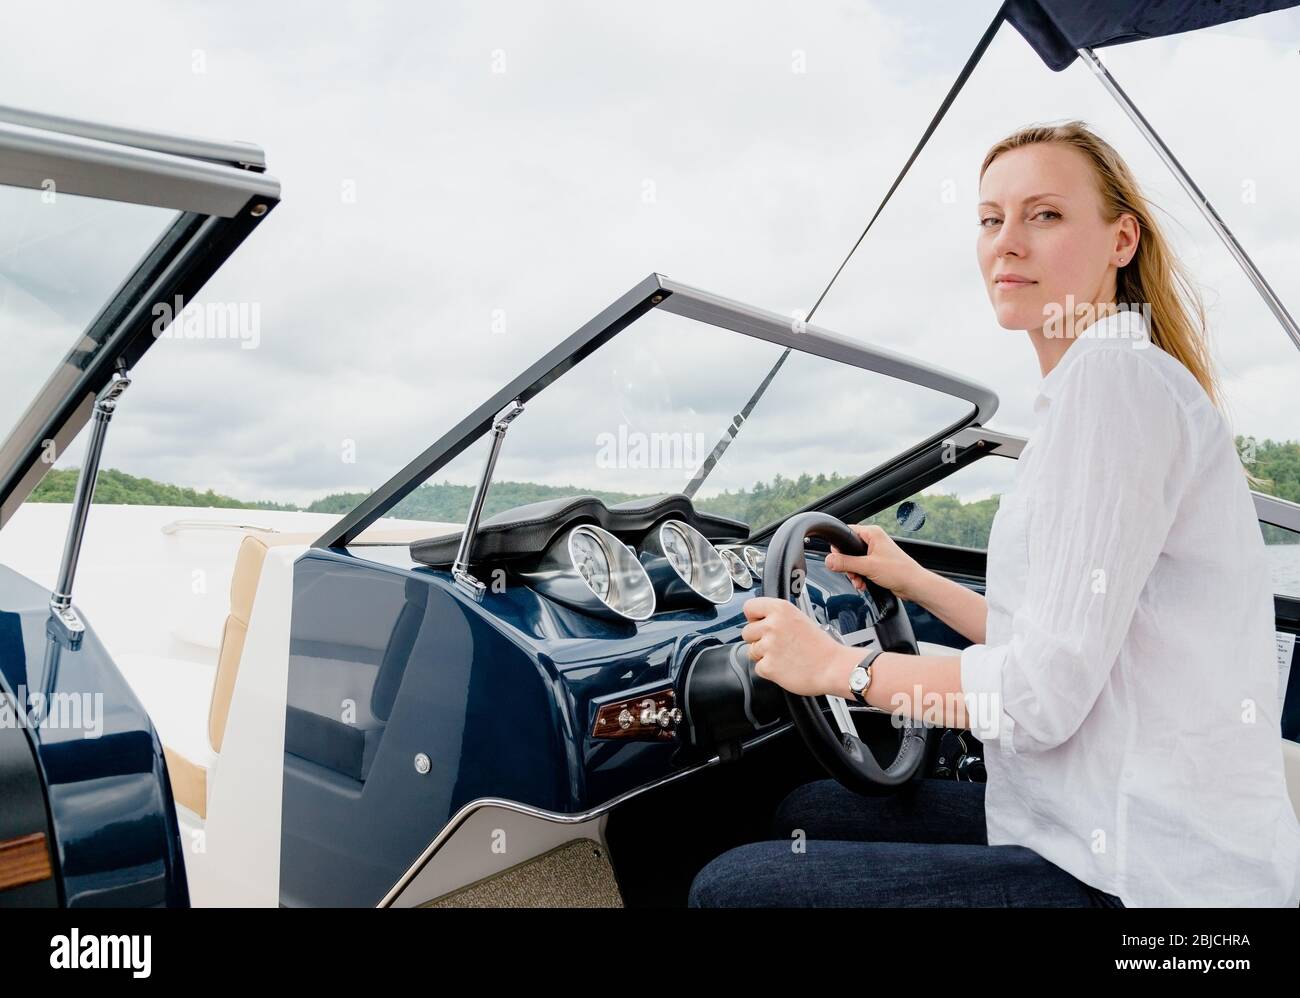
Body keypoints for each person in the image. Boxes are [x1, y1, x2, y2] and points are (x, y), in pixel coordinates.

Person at [688, 120, 1300, 908]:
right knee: (804, 811)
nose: (1006, 243)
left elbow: (1038, 700)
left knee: (728, 891)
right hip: (1097, 823)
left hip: (1157, 885)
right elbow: (1054, 644)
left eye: (1044, 214)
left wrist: (841, 669)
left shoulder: (1115, 390)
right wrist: (915, 582)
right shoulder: (1101, 388)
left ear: (1121, 240)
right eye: (990, 218)